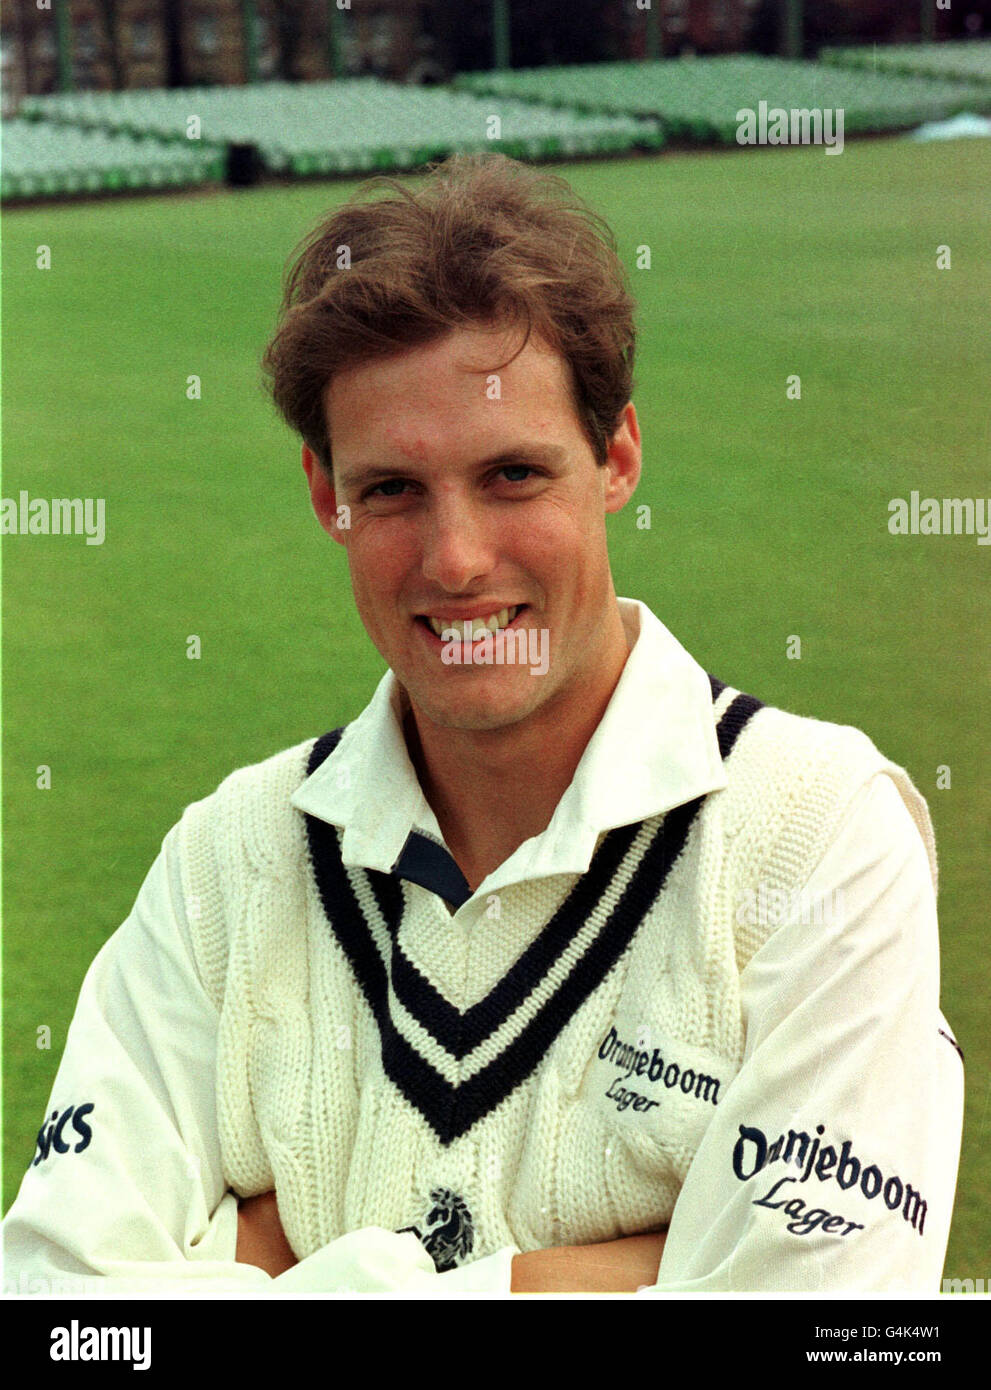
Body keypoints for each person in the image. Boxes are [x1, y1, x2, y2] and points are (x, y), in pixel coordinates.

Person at [3, 154, 963, 1295]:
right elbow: (61, 1308)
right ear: (328, 496)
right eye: (395, 489)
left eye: (512, 473)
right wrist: (584, 1275)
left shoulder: (820, 834)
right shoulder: (227, 858)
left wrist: (275, 1260)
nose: (455, 562)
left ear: (615, 458)